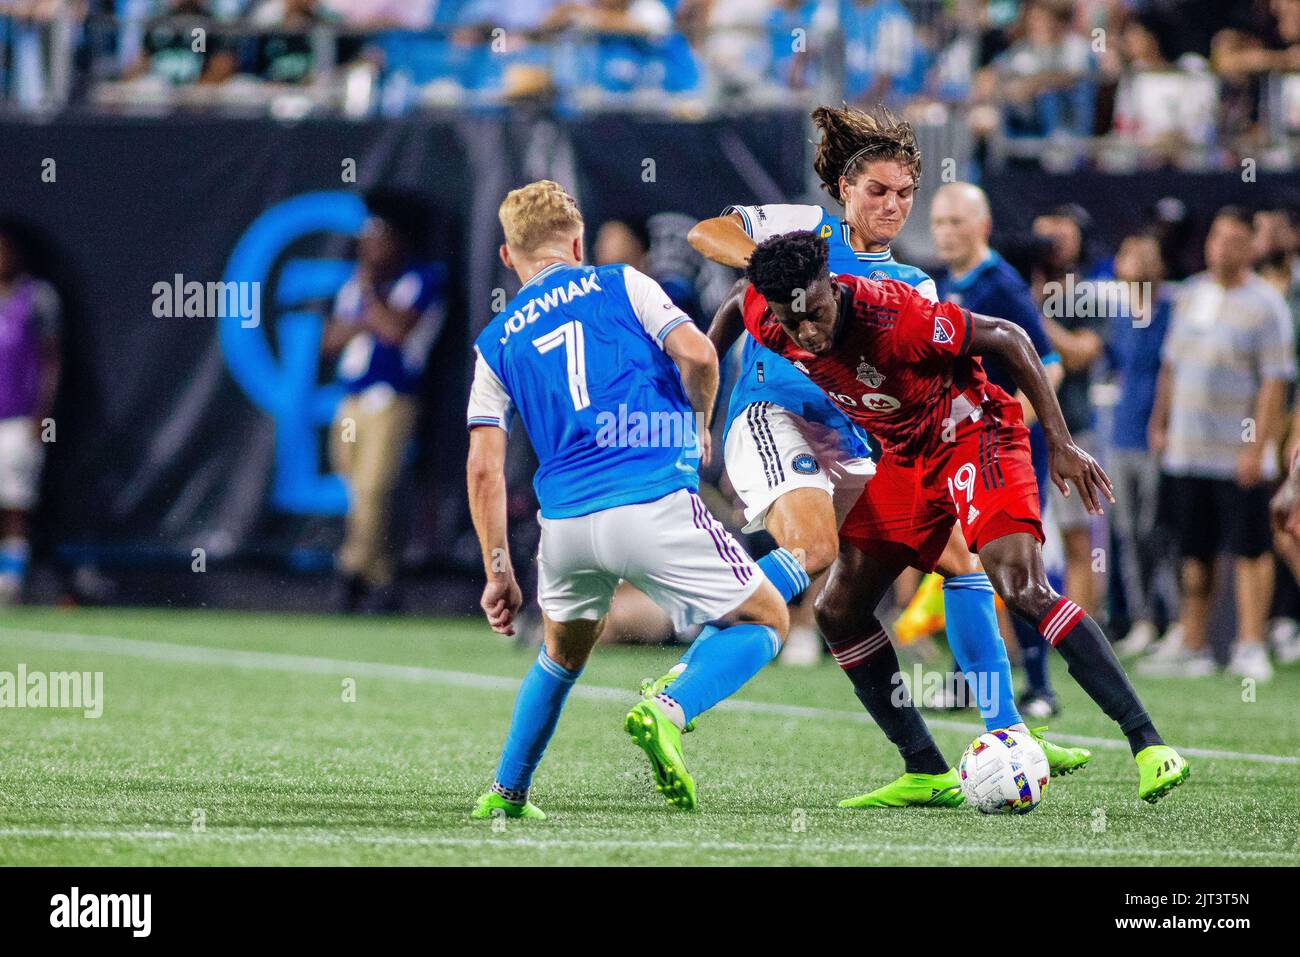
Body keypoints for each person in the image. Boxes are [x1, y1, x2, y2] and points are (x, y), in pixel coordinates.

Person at [681, 105, 1088, 800]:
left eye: (904, 194)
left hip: (848, 438)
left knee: (959, 555)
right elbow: (705, 233)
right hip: (772, 417)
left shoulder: (915, 285)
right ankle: (682, 685)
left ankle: (1003, 729)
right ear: (844, 189)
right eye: (877, 191)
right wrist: (770, 268)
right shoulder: (803, 231)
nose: (893, 206)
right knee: (812, 553)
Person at [743, 229, 1189, 805]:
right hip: (905, 459)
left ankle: (1149, 745)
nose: (806, 331)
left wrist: (1059, 439)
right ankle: (927, 770)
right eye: (791, 321)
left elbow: (1007, 336)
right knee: (838, 610)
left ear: (830, 286)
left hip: (973, 433)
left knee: (1022, 587)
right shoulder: (771, 313)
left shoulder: (894, 316)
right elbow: (738, 303)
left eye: (816, 314)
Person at [466, 181, 789, 819]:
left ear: (509, 257)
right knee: (766, 620)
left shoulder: (496, 340)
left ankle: (506, 794)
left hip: (564, 528)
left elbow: (483, 468)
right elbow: (698, 352)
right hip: (651, 501)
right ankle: (670, 708)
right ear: (578, 243)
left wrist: (497, 570)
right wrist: (698, 426)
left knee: (559, 657)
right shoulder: (622, 283)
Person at [928, 181, 1066, 719]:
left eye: (956, 222)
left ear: (982, 226)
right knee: (969, 563)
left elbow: (1049, 363)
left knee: (1015, 567)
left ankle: (1040, 687)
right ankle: (970, 681)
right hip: (962, 452)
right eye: (939, 222)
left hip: (1009, 453)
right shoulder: (942, 282)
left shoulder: (1000, 284)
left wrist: (1008, 423)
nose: (945, 232)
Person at [1144, 206, 1295, 682]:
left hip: (1237, 454)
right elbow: (1170, 366)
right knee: (1194, 552)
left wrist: (1257, 448)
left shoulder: (1267, 305)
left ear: (1252, 246)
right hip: (1187, 450)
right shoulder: (1189, 294)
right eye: (1216, 237)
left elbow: (1275, 383)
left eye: (1233, 239)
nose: (1221, 247)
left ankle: (1250, 643)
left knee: (1250, 550)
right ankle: (1194, 645)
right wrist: (1160, 422)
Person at [320, 191, 445, 613]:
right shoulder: (353, 284)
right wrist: (363, 315)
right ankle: (383, 581)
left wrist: (369, 304)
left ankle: (350, 572)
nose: (367, 246)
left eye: (378, 237)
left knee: (373, 488)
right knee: (357, 490)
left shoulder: (422, 280)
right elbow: (329, 342)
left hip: (391, 401)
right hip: (350, 401)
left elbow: (395, 331)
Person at [1106, 231, 1176, 657]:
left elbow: (1170, 371)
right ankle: (1143, 617)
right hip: (1122, 433)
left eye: (1136, 253)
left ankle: (1176, 619)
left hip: (1158, 434)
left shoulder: (1170, 310)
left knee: (1158, 531)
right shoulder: (1121, 315)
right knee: (1128, 532)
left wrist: (1161, 422)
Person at [0, 224, 61, 606]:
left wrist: (42, 415)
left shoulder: (37, 297)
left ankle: (10, 582)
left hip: (19, 420)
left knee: (14, 504)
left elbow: (51, 360)